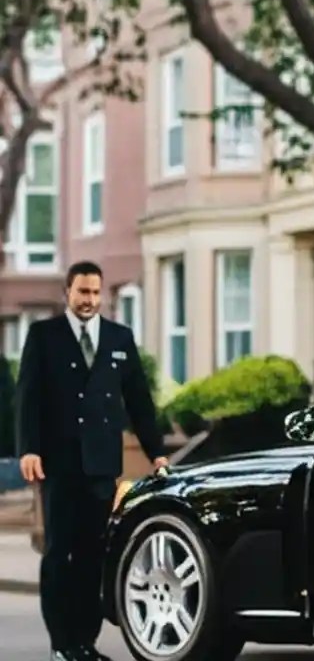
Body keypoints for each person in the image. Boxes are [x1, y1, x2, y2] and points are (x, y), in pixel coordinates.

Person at [16, 261, 169, 661]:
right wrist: (29, 448)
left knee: (93, 558)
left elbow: (139, 402)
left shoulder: (120, 338)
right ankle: (62, 645)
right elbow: (28, 398)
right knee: (59, 555)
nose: (90, 300)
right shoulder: (44, 336)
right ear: (67, 292)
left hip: (102, 466)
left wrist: (157, 453)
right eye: (83, 292)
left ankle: (85, 643)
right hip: (59, 465)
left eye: (96, 293)